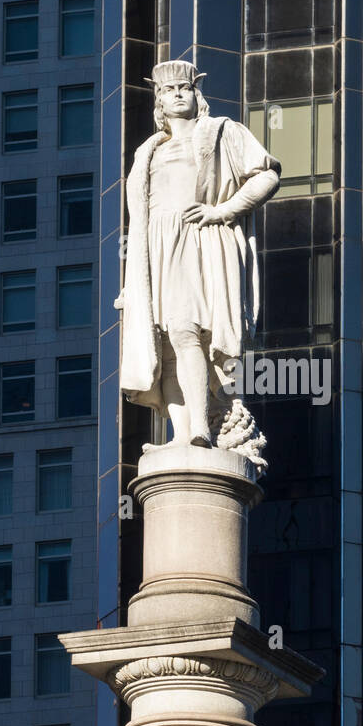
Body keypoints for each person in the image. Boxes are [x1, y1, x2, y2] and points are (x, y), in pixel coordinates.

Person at [117, 60, 281, 455]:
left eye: (184, 88)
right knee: (166, 344)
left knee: (187, 331)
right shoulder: (149, 151)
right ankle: (179, 434)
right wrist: (133, 282)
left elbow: (268, 174)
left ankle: (200, 430)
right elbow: (140, 220)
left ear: (196, 94)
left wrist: (222, 211)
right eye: (168, 90)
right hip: (157, 248)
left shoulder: (223, 131)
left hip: (203, 238)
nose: (177, 95)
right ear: (159, 100)